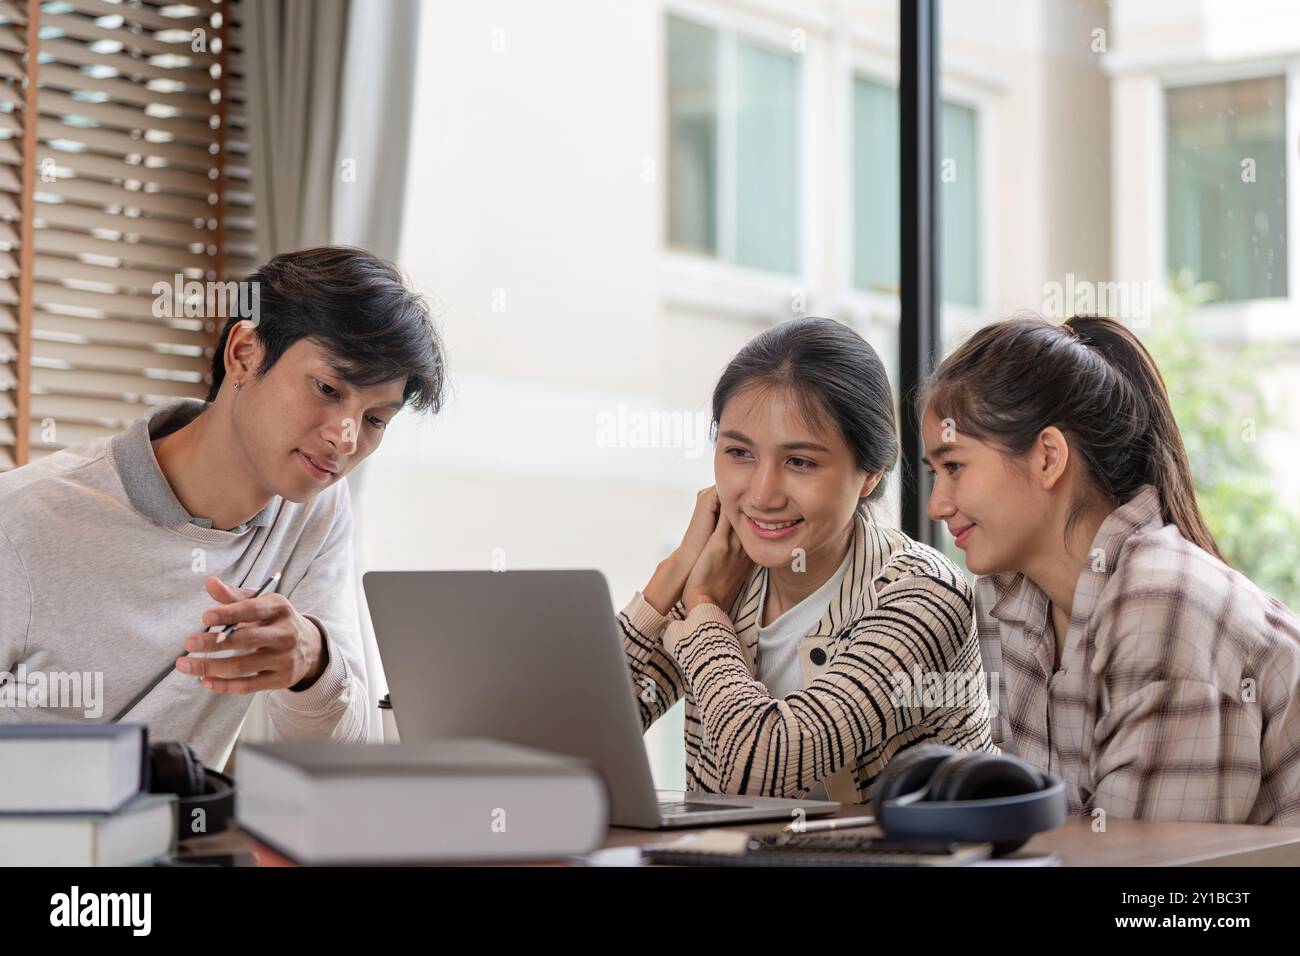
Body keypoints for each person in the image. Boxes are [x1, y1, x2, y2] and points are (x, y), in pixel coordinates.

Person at [0, 246, 446, 769]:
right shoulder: (26, 520)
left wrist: (311, 664)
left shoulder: (314, 509)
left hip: (181, 842)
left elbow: (342, 764)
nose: (344, 439)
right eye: (328, 388)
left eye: (375, 420)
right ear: (243, 354)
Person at [921, 313, 1300, 824]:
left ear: (1048, 457)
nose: (937, 505)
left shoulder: (1162, 602)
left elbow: (1144, 888)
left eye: (954, 467)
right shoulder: (1011, 595)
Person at [619, 317, 994, 803]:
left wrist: (706, 608)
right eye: (739, 452)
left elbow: (764, 765)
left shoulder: (925, 594)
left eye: (800, 462)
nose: (762, 493)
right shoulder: (722, 571)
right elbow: (579, 736)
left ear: (869, 475)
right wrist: (668, 578)